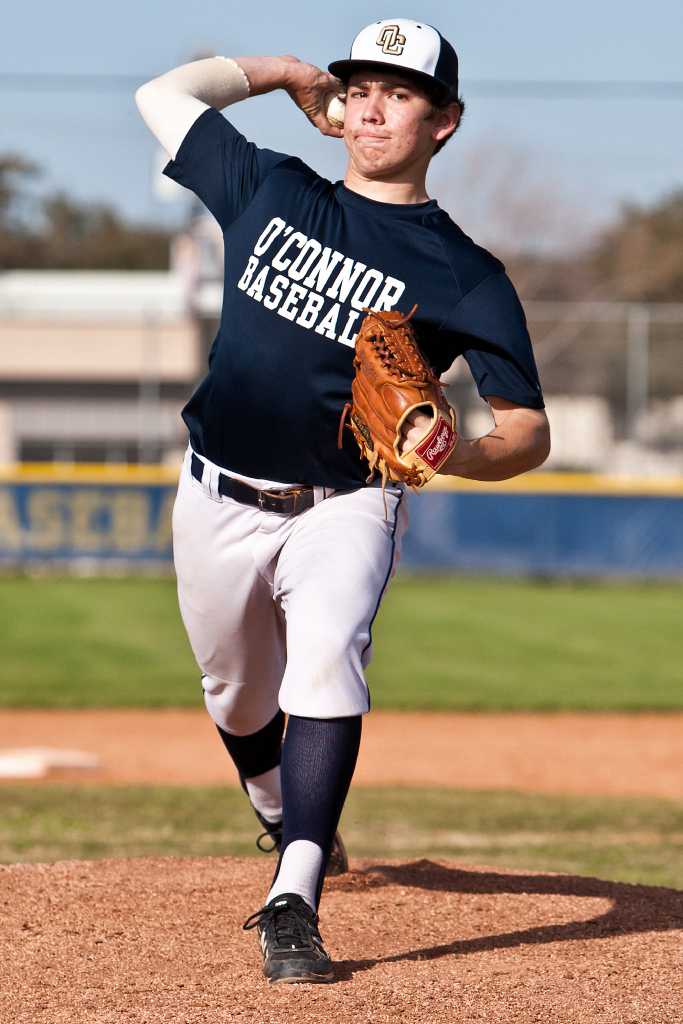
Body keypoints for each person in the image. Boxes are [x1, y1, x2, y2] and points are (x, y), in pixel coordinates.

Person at [135, 17, 550, 984]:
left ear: (443, 121)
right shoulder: (271, 188)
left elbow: (526, 430)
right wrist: (281, 73)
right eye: (360, 85)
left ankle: (295, 897)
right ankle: (281, 809)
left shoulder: (465, 275)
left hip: (347, 500)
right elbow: (162, 98)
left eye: (400, 92)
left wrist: (454, 454)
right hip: (216, 491)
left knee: (325, 661)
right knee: (235, 695)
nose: (371, 103)